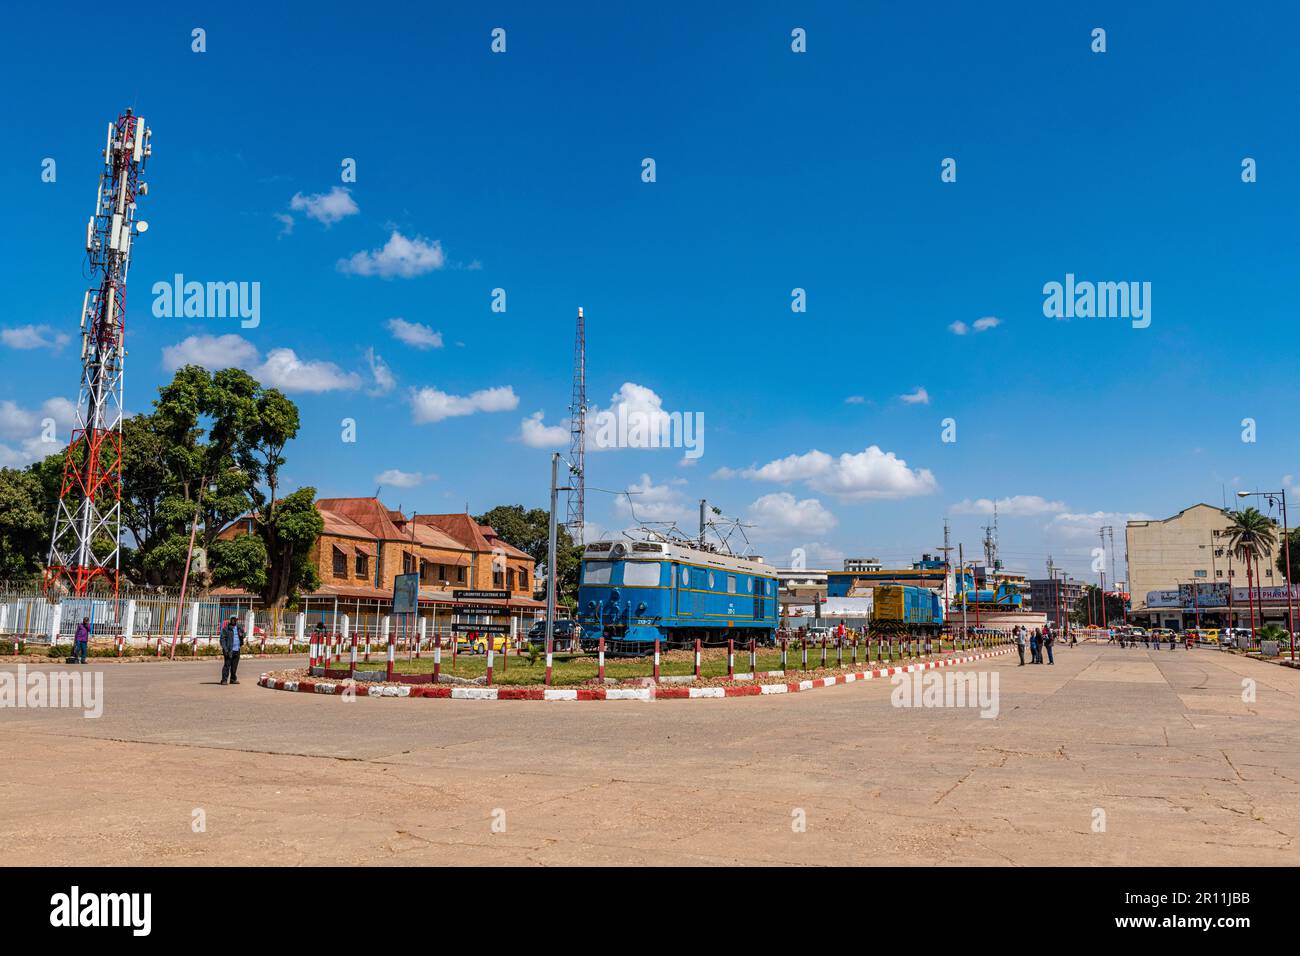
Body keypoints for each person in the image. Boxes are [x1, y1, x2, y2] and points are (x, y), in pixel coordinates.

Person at [219, 615, 242, 685]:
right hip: (229, 650)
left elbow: (243, 634)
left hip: (237, 650)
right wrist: (225, 649)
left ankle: (233, 679)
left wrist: (242, 635)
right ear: (230, 620)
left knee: (234, 666)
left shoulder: (238, 628)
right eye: (233, 619)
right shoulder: (226, 629)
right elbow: (222, 639)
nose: (234, 621)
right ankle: (224, 680)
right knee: (227, 666)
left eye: (235, 619)